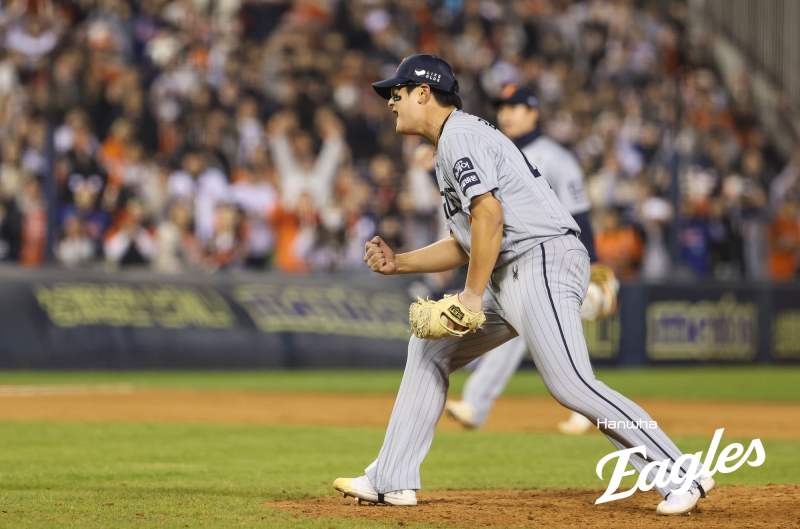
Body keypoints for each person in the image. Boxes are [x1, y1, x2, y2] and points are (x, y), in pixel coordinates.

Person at [333, 54, 713, 515]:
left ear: (424, 92)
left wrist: (470, 295)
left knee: (570, 384)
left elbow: (489, 217)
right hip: (513, 267)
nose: (391, 101)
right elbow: (470, 239)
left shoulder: (460, 136)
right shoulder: (452, 142)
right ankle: (392, 478)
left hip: (541, 258)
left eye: (397, 92)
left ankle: (679, 470)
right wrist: (400, 263)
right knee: (428, 349)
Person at [444, 85, 600, 435]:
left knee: (545, 334)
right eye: (502, 106)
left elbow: (581, 215)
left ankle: (479, 402)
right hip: (512, 260)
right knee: (538, 334)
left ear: (533, 112)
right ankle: (479, 403)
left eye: (515, 106)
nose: (506, 113)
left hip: (554, 257)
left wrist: (597, 265)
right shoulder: (490, 149)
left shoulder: (558, 158)